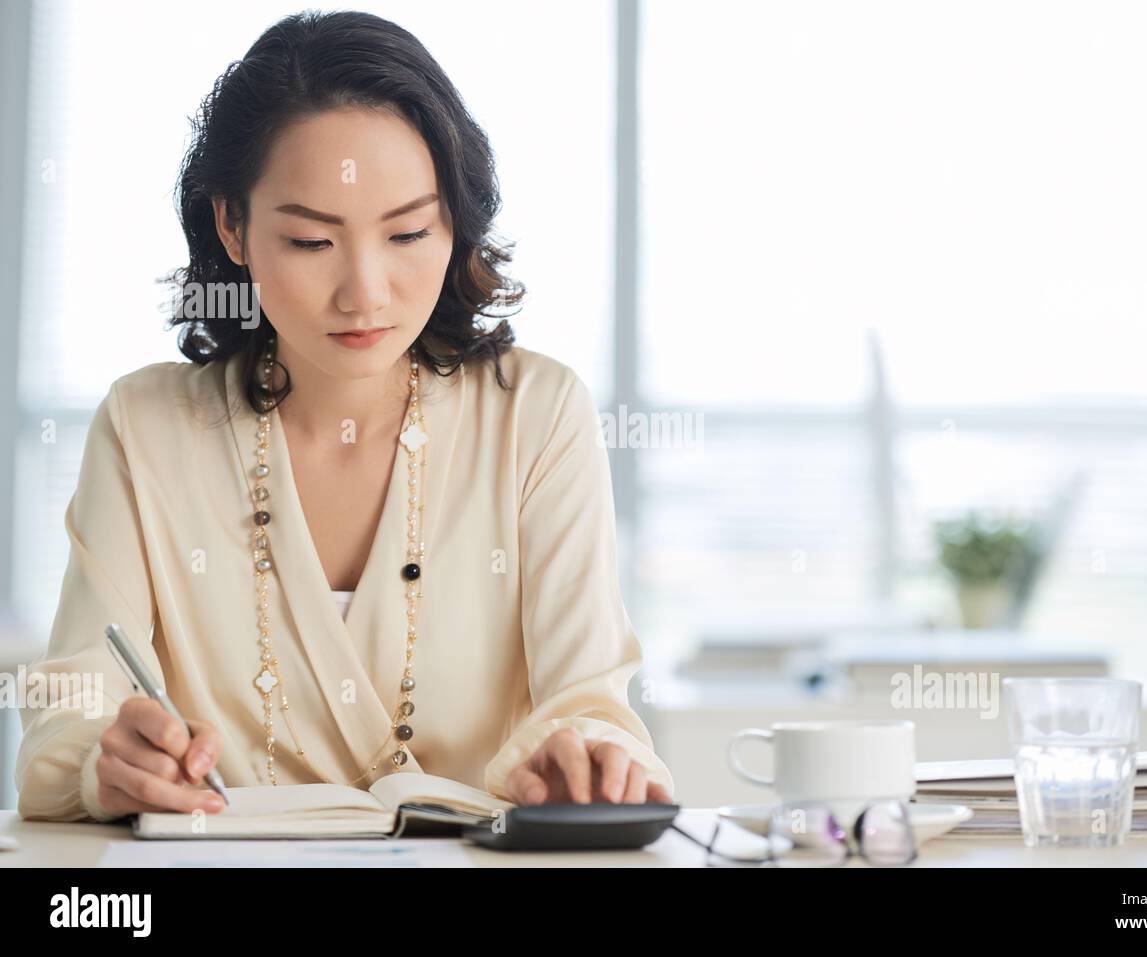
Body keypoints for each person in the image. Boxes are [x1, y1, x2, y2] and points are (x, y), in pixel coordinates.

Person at [16, 9, 672, 822]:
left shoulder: (534, 416)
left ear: (454, 222)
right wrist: (108, 758)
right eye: (311, 243)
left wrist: (584, 757)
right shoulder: (145, 427)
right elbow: (66, 722)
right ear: (233, 225)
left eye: (406, 232)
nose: (365, 292)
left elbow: (593, 704)